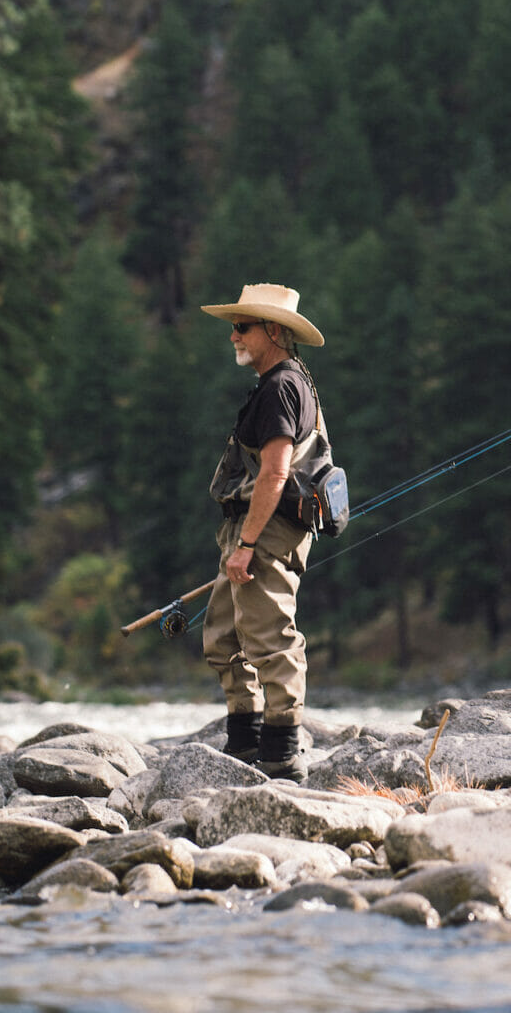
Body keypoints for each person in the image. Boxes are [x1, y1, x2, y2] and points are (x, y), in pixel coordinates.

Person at [199, 283, 327, 781]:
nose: (233, 335)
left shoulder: (280, 388)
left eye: (243, 326)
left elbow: (274, 474)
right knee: (224, 637)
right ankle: (245, 743)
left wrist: (247, 546)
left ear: (273, 331)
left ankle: (281, 757)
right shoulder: (288, 381)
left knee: (271, 642)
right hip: (252, 535)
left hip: (265, 537)